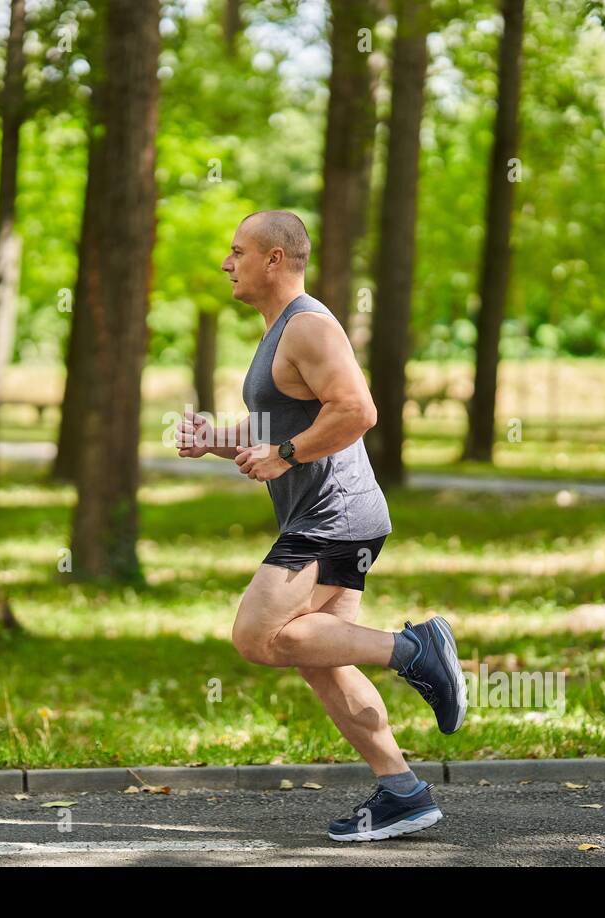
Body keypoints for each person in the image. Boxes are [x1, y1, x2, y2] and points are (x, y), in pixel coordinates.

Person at [174, 210, 467, 842]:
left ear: (274, 259)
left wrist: (285, 456)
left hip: (333, 516)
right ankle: (403, 791)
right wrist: (218, 439)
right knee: (323, 656)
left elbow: (358, 410)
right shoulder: (278, 332)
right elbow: (285, 428)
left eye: (237, 251)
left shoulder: (306, 325)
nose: (227, 263)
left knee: (257, 637)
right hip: (335, 516)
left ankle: (416, 650)